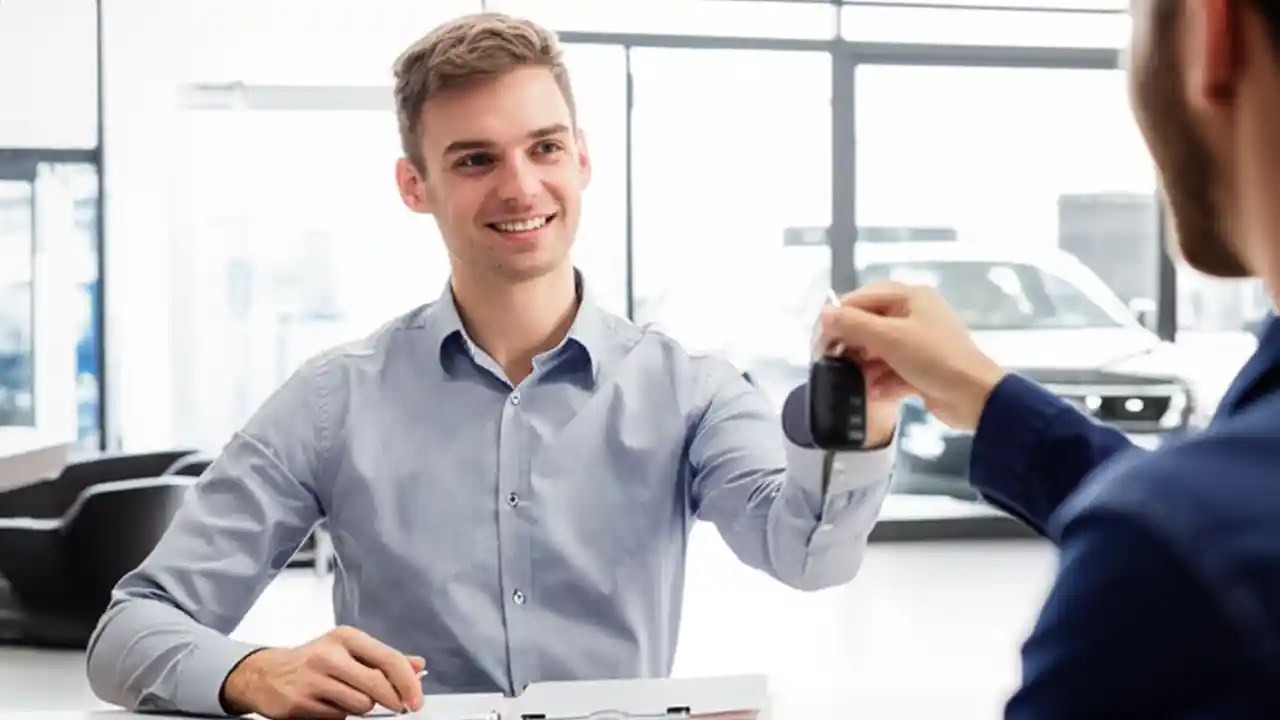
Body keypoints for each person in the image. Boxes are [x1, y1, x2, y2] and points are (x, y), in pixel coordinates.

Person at [85, 12, 901, 720]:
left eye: (543, 147)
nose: (521, 187)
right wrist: (255, 671)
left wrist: (861, 424)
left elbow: (811, 555)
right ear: (416, 185)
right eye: (475, 160)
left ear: (581, 158)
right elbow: (129, 630)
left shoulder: (690, 390)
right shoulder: (334, 400)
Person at [820, 0, 1280, 716]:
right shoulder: (1202, 532)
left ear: (1210, 29)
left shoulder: (1168, 573)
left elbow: (1189, 546)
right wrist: (985, 394)